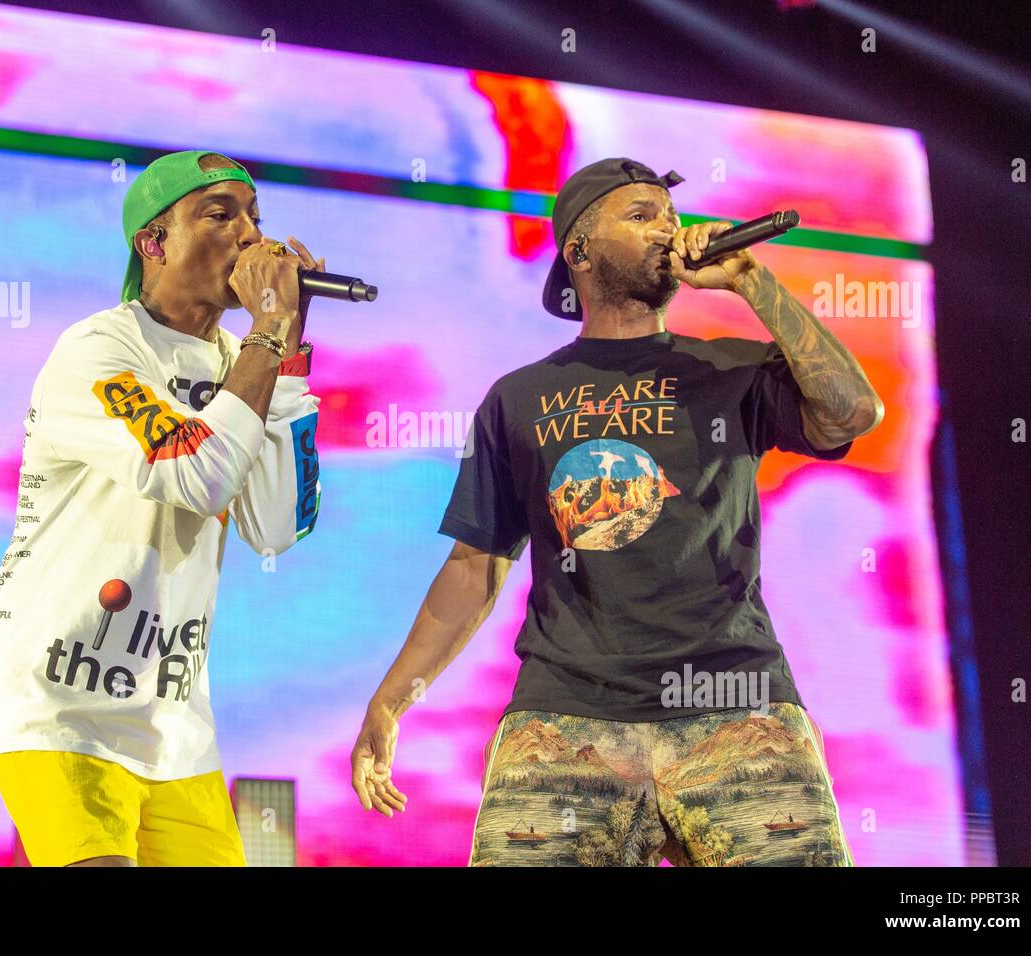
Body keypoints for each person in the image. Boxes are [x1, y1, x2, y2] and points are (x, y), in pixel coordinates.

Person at [352, 158, 882, 867]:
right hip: (566, 718)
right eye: (641, 216)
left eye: (670, 215)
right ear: (578, 250)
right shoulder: (520, 397)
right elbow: (475, 563)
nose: (668, 229)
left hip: (736, 704)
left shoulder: (732, 369)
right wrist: (391, 701)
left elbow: (854, 411)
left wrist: (755, 284)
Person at [0, 150, 323, 866]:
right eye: (219, 215)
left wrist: (284, 359)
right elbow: (196, 473)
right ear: (153, 243)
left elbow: (278, 528)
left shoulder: (243, 359)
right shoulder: (99, 349)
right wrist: (266, 337)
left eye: (255, 217)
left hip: (173, 719)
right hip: (59, 701)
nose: (250, 235)